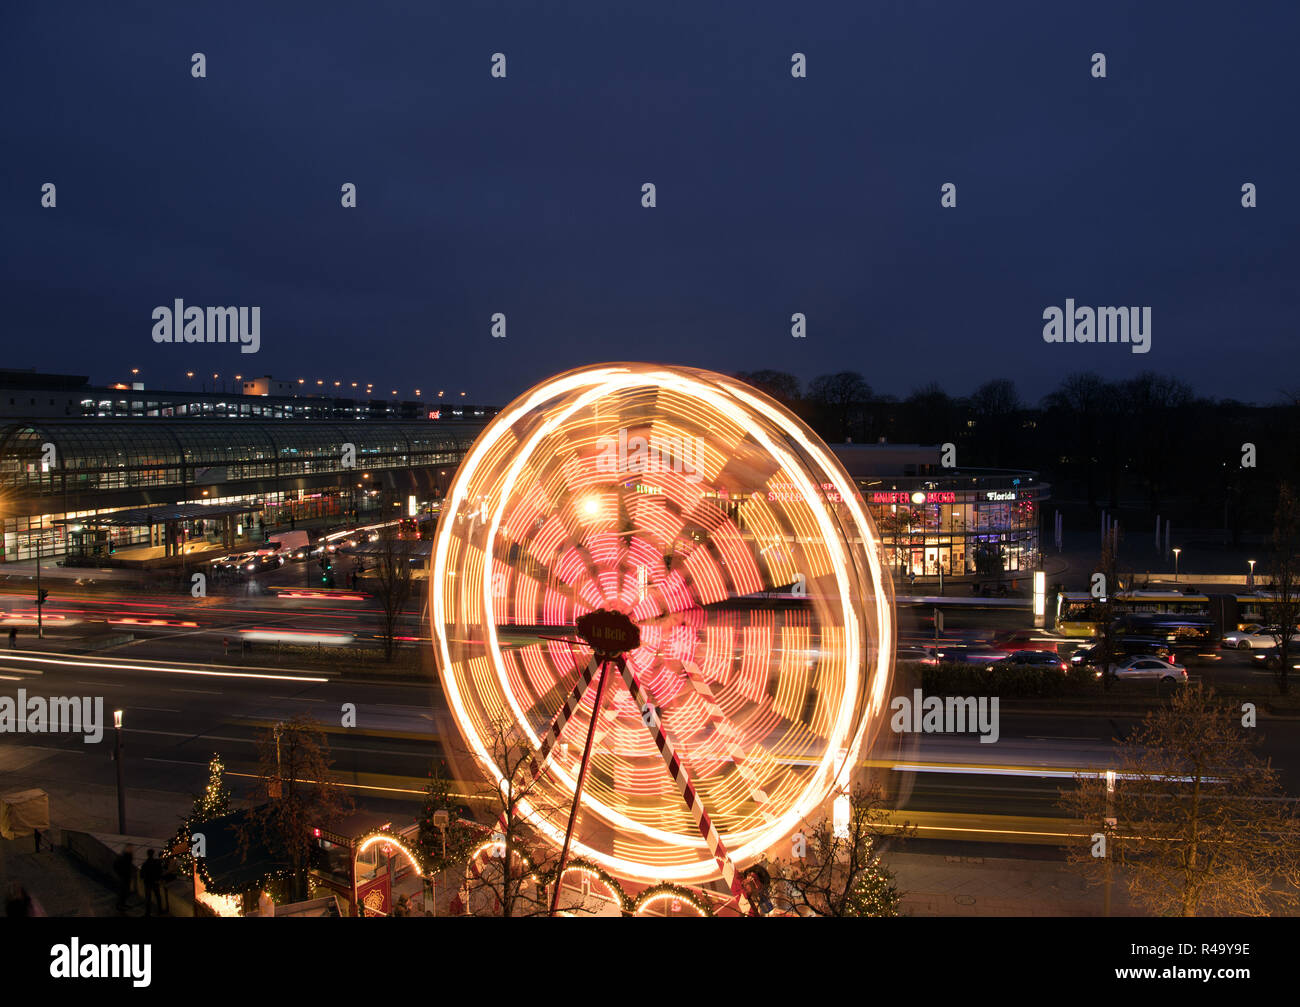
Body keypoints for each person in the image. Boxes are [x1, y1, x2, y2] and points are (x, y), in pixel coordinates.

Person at [140, 849, 164, 916]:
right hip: (155, 882)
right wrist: (158, 879)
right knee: (158, 896)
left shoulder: (145, 864)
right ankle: (160, 910)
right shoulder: (156, 862)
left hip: (148, 883)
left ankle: (148, 912)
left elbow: (141, 875)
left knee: (148, 898)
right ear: (153, 854)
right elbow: (160, 871)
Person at [113, 845, 135, 913]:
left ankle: (122, 904)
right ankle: (119, 905)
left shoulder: (128, 856)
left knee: (125, 891)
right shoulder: (123, 857)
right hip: (124, 877)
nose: (131, 849)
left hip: (126, 876)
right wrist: (120, 874)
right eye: (130, 848)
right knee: (123, 891)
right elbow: (116, 866)